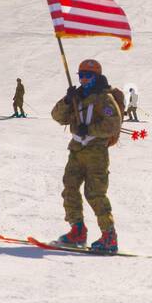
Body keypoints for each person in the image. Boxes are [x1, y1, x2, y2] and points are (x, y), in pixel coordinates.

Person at [50, 58, 123, 253]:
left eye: (88, 76)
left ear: (96, 76)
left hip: (96, 152)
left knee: (95, 193)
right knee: (70, 189)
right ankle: (77, 230)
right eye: (81, 76)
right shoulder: (77, 96)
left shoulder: (104, 98)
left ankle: (109, 236)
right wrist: (67, 101)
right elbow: (57, 116)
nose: (83, 80)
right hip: (76, 150)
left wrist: (89, 129)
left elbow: (113, 124)